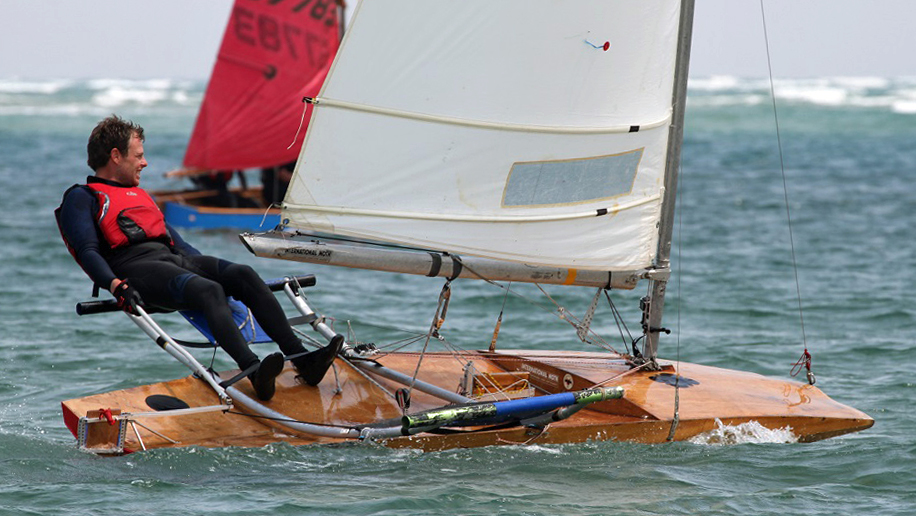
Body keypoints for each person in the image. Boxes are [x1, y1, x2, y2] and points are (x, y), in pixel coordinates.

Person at [56, 115, 342, 401]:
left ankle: (301, 358)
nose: (145, 162)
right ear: (116, 156)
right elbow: (87, 251)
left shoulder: (139, 195)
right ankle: (253, 371)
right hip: (135, 271)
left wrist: (213, 273)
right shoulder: (82, 197)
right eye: (139, 156)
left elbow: (179, 246)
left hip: (172, 261)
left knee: (242, 274)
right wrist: (115, 285)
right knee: (208, 290)